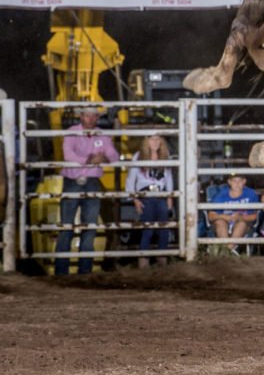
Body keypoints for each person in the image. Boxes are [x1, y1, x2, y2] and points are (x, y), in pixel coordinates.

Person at [54, 106, 120, 276]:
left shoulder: (101, 134)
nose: (91, 119)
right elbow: (68, 155)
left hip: (87, 181)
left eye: (93, 116)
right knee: (69, 226)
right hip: (75, 180)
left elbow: (113, 155)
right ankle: (65, 270)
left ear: (97, 118)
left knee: (88, 226)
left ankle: (82, 270)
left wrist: (103, 158)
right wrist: (92, 159)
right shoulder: (72, 132)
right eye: (87, 116)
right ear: (81, 117)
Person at [125, 135, 174, 268]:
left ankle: (162, 259)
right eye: (152, 139)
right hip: (145, 194)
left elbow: (168, 177)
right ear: (146, 141)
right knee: (148, 228)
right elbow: (131, 178)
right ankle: (144, 260)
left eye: (158, 139)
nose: (155, 142)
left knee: (164, 228)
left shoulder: (165, 155)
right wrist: (134, 198)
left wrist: (170, 196)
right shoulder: (138, 156)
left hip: (161, 194)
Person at [208, 173, 260, 256]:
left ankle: (226, 252)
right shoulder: (221, 194)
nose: (237, 184)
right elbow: (210, 216)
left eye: (240, 181)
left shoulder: (251, 194)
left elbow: (254, 216)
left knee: (242, 223)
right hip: (225, 222)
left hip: (242, 224)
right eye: (234, 181)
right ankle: (228, 251)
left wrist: (241, 217)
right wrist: (224, 216)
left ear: (244, 181)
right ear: (229, 182)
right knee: (220, 222)